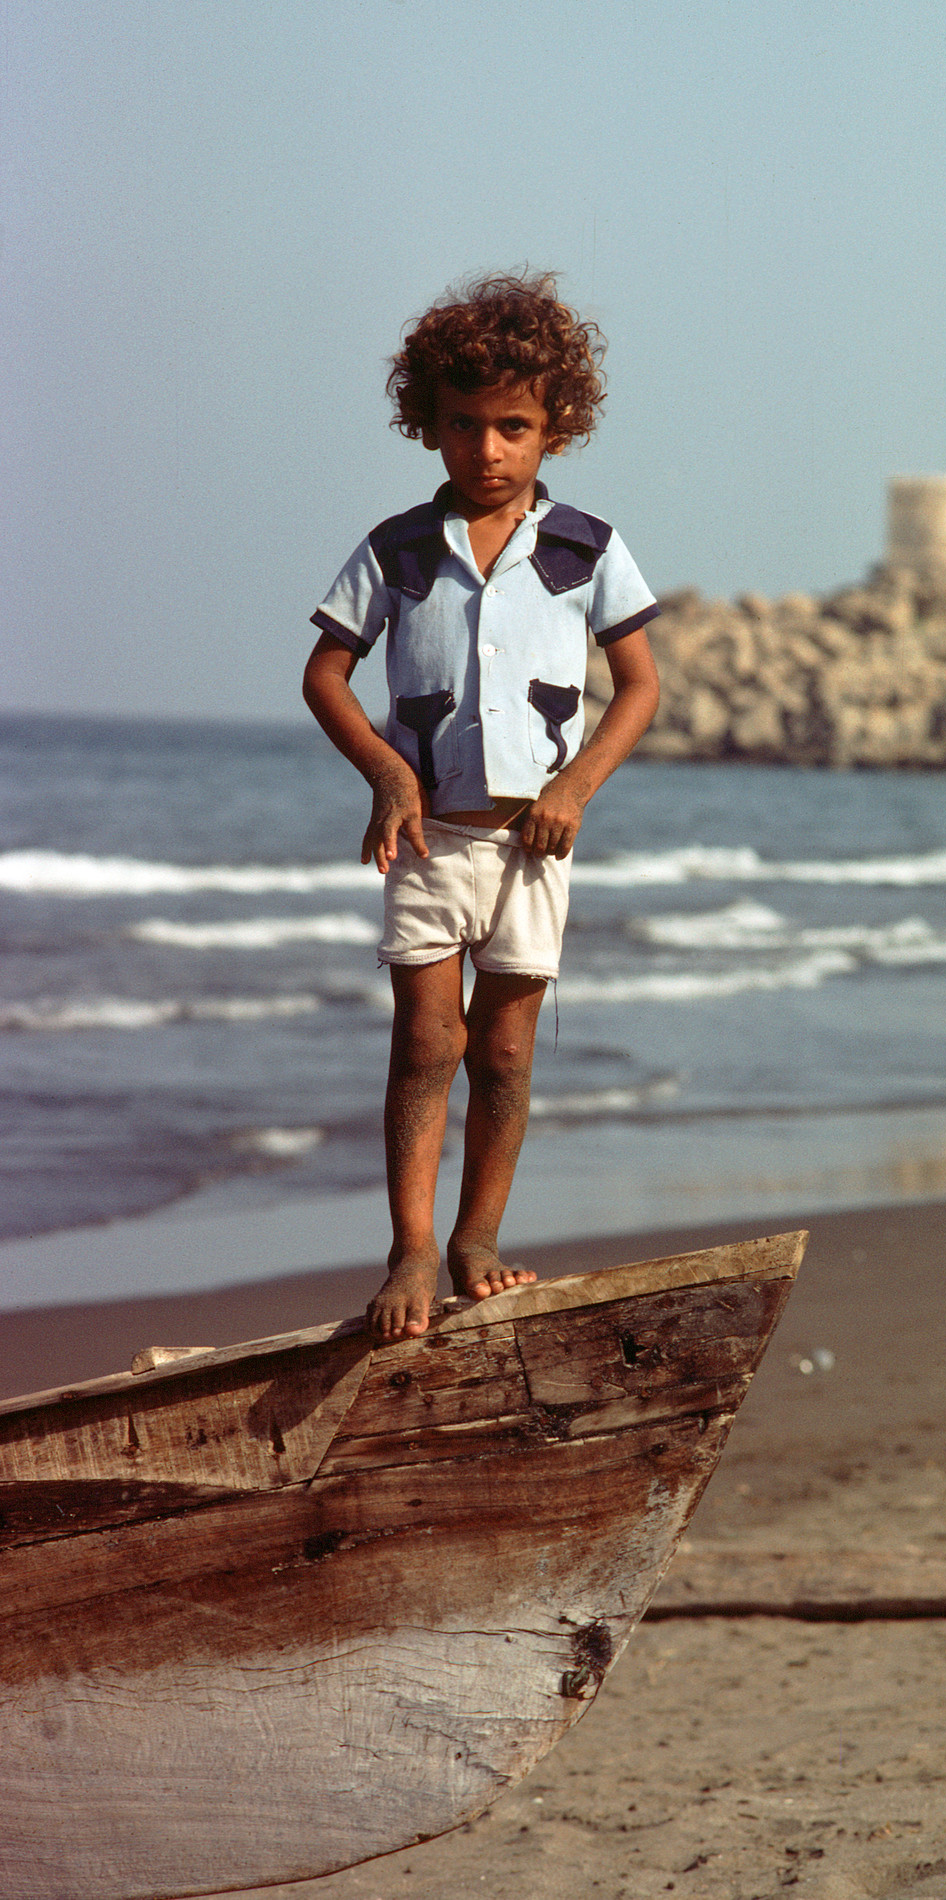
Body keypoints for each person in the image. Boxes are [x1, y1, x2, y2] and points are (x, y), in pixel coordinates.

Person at [303, 272, 660, 1342]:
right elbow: (326, 675)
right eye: (464, 425)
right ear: (429, 423)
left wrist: (574, 787)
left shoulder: (586, 549)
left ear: (556, 428)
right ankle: (410, 1246)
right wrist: (387, 772)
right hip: (425, 837)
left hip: (533, 846)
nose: (489, 450)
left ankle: (476, 1240)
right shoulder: (395, 551)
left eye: (514, 427)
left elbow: (639, 687)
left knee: (504, 1049)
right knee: (426, 1040)